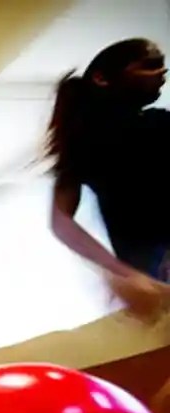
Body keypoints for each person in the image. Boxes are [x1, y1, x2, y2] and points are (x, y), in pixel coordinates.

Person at [48, 38, 169, 320]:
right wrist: (120, 273)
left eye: (162, 66)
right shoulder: (84, 144)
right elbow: (60, 221)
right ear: (102, 78)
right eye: (150, 65)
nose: (162, 73)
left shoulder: (159, 124)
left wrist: (120, 272)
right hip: (152, 275)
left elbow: (60, 223)